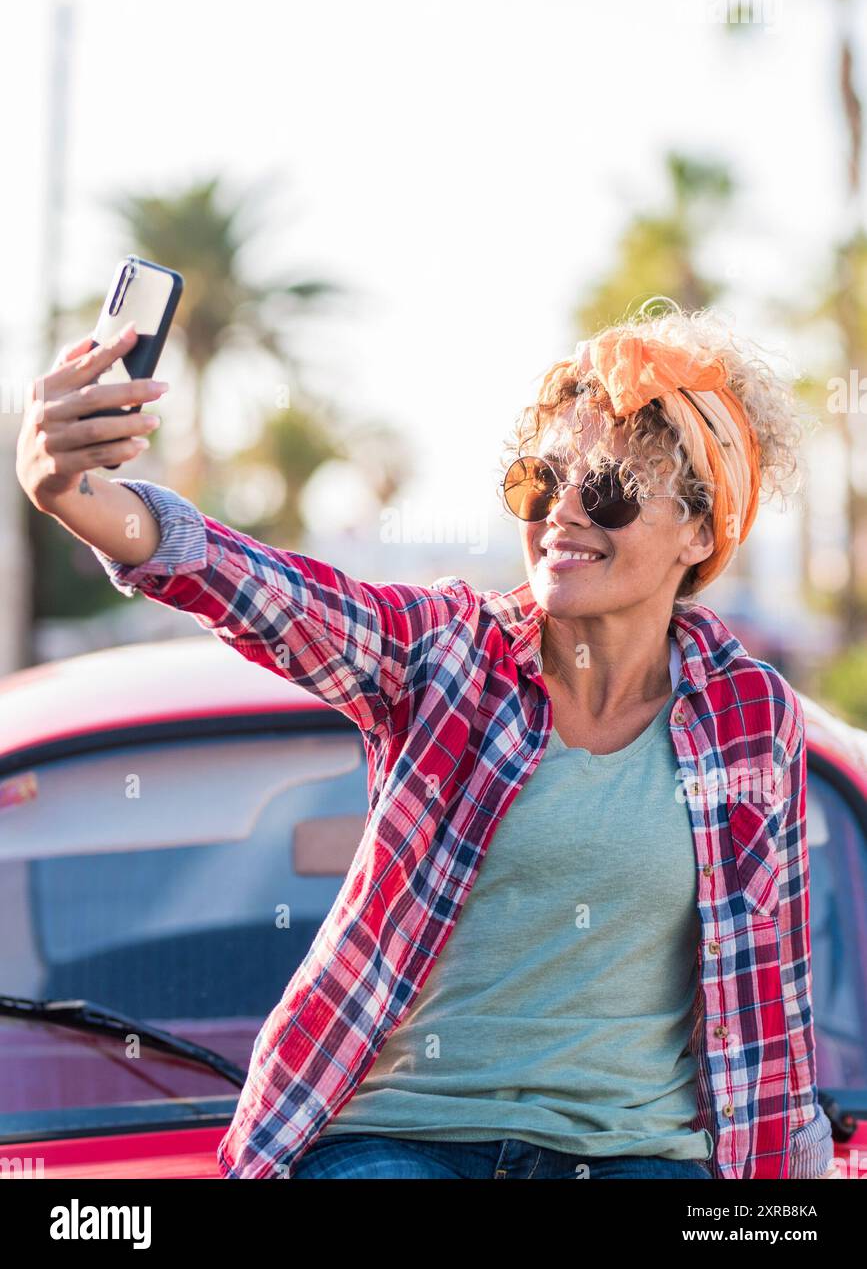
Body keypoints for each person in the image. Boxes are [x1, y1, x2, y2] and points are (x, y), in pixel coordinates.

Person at [15, 303, 839, 1181]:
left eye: (606, 492)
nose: (560, 515)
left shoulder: (751, 718)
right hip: (397, 1137)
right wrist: (72, 492)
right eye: (538, 482)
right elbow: (262, 589)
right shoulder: (445, 654)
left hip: (634, 1153)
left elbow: (768, 987)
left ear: (701, 533)